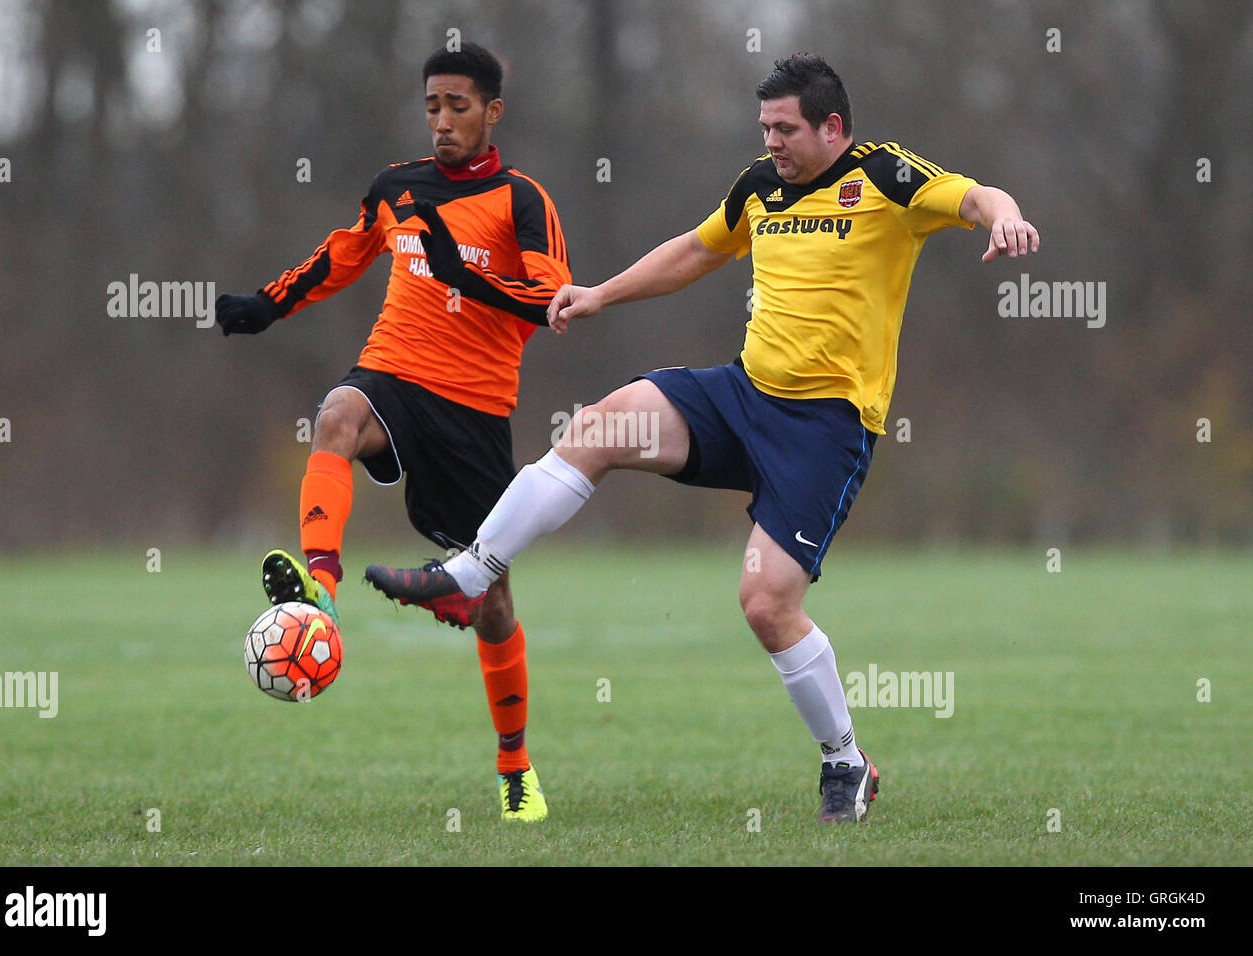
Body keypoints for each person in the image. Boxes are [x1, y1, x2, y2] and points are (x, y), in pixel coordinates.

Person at [366, 52, 1039, 823]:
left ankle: (845, 763)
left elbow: (978, 195)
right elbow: (695, 250)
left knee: (765, 605)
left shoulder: (885, 179)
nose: (772, 142)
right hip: (742, 396)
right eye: (765, 127)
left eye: (786, 128)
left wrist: (1005, 216)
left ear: (834, 127)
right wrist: (599, 296)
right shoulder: (760, 186)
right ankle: (474, 570)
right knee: (600, 425)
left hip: (824, 429)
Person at [216, 42, 571, 823]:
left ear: (492, 112)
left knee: (493, 603)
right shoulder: (397, 190)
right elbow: (342, 256)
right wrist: (268, 305)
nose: (443, 121)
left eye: (459, 107)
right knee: (335, 418)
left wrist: (464, 274)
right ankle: (321, 589)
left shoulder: (522, 200)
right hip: (394, 374)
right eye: (432, 107)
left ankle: (515, 767)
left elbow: (551, 304)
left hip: (475, 411)